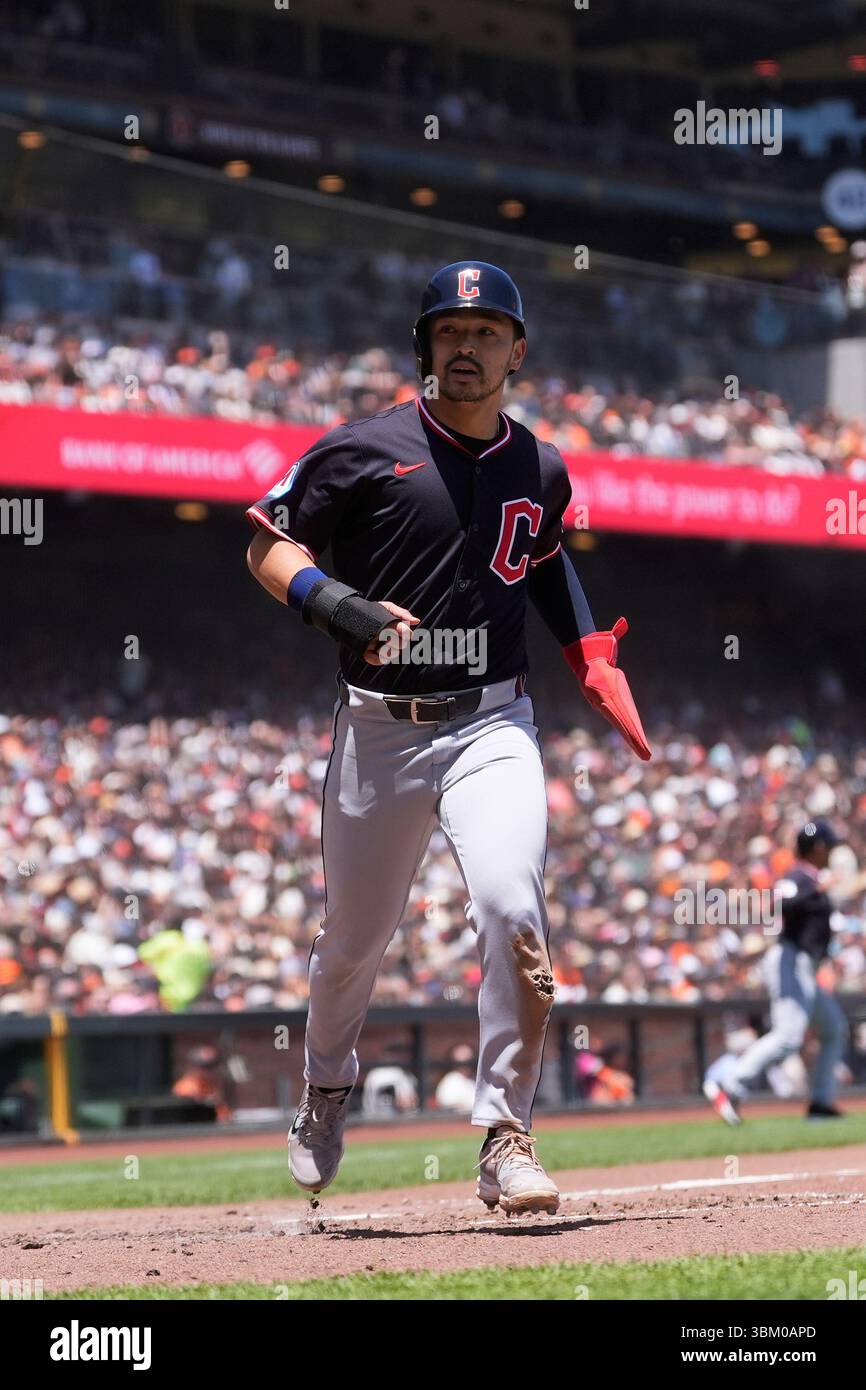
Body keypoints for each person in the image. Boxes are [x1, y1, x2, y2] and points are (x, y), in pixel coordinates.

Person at [245, 260, 651, 1216]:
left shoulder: (541, 464)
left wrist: (590, 653)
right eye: (447, 331)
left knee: (514, 910)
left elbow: (544, 562)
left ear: (517, 350)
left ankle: (505, 1132)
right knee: (353, 941)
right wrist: (338, 605)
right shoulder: (363, 447)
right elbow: (265, 539)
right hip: (381, 730)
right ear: (424, 347)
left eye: (484, 332)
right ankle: (327, 1088)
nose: (464, 347)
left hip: (493, 720)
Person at [703, 819, 855, 1124]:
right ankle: (728, 1085)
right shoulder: (800, 876)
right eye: (828, 847)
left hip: (805, 966)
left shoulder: (812, 878)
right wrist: (815, 889)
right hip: (791, 960)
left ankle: (821, 1104)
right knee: (788, 1037)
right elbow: (776, 902)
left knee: (833, 1029)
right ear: (820, 847)